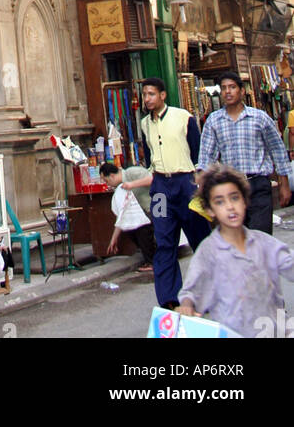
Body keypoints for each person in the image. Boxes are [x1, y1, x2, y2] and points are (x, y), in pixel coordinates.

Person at [177, 164, 294, 337]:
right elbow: (191, 291)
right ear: (210, 209)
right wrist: (186, 305)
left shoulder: (265, 244)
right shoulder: (208, 252)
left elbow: (290, 263)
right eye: (220, 202)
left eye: (234, 198)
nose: (230, 206)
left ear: (245, 201)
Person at [136, 77, 210, 309]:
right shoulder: (145, 123)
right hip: (160, 188)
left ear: (163, 95)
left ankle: (209, 291)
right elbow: (149, 156)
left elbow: (198, 153)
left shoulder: (183, 118)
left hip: (185, 184)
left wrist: (199, 182)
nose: (147, 99)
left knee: (200, 238)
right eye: (145, 95)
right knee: (164, 240)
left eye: (151, 94)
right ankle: (169, 298)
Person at [196, 72, 292, 233]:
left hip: (258, 184)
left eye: (232, 87)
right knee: (237, 237)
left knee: (260, 235)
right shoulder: (214, 121)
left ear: (241, 91)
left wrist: (284, 185)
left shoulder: (259, 118)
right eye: (224, 88)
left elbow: (278, 150)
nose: (228, 92)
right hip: (230, 187)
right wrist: (203, 191)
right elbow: (206, 157)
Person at [99, 162, 155, 271]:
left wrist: (132, 185)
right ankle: (149, 256)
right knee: (130, 226)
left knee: (142, 228)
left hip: (156, 206)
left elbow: (152, 179)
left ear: (112, 176)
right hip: (142, 213)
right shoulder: (120, 189)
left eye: (107, 181)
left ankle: (151, 261)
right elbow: (122, 215)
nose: (108, 185)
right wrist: (114, 239)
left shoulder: (132, 172)